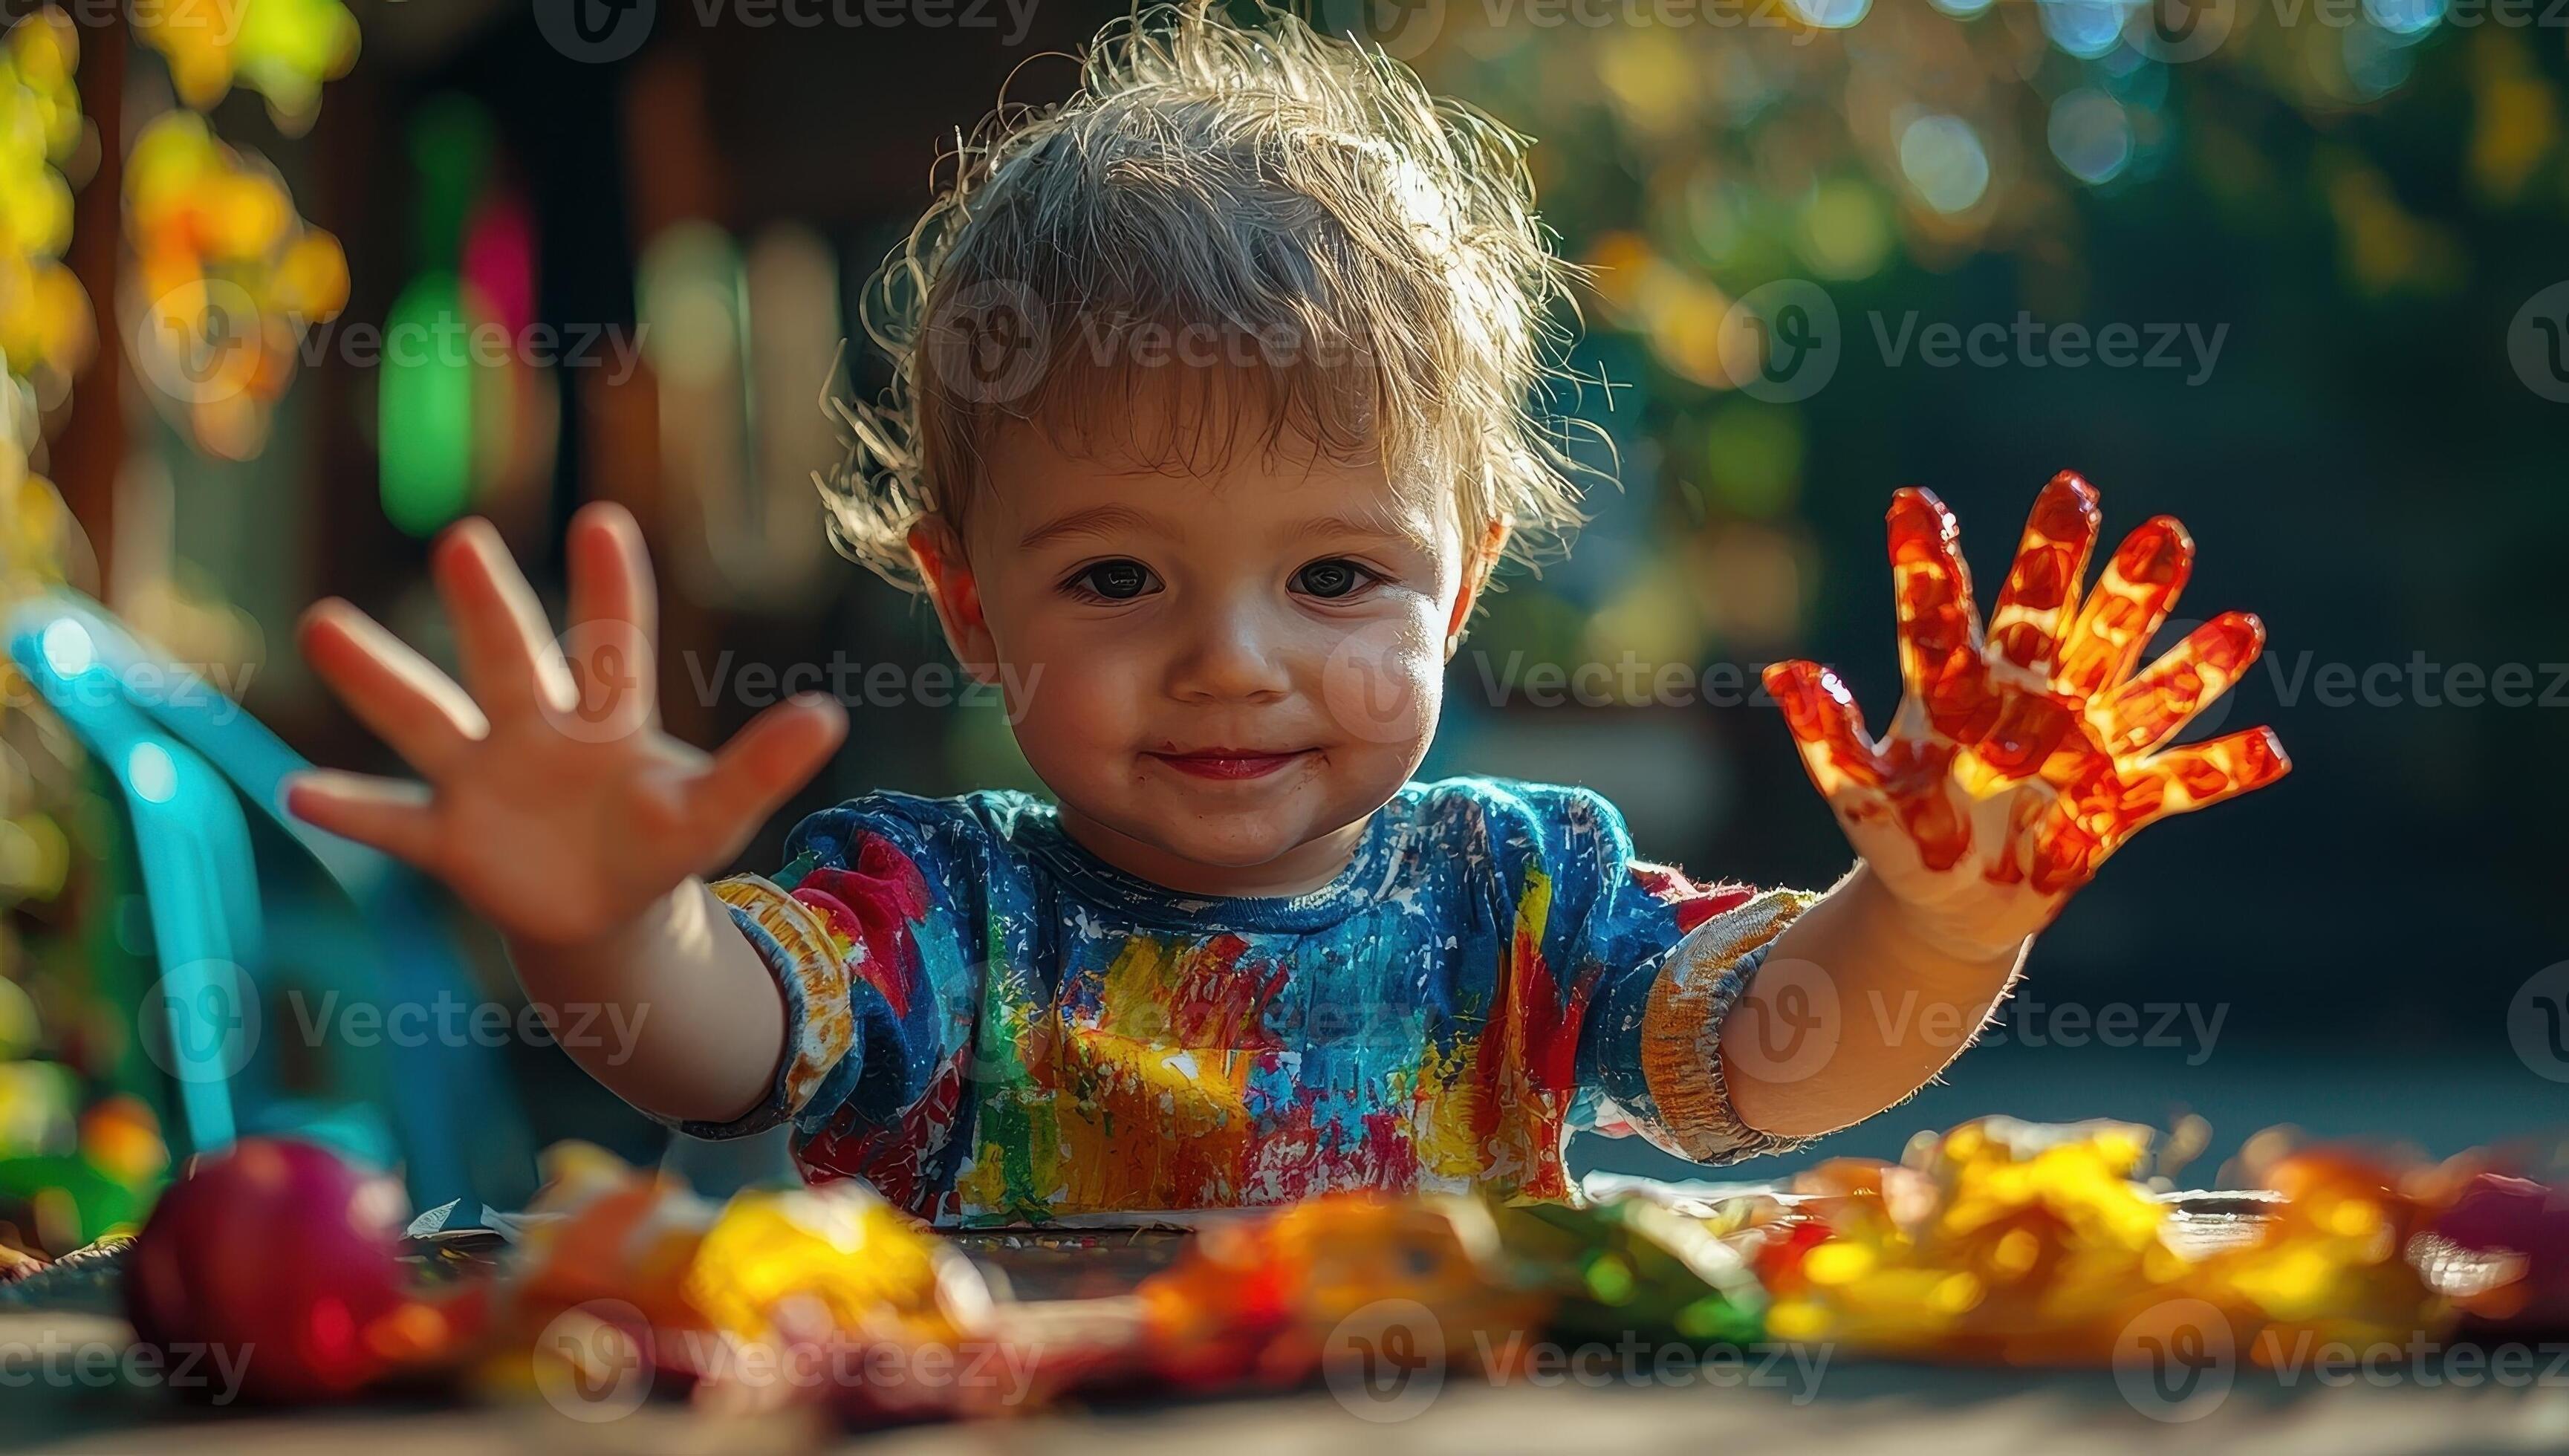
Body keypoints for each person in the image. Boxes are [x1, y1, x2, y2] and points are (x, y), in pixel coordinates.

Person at [286, 4, 2286, 1226]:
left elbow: (1778, 1060)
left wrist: (1940, 916)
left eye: (1331, 576)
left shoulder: (1520, 899)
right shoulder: (931, 909)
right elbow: (714, 1048)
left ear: (1465, 576)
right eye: (1114, 578)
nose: (1232, 657)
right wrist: (604, 926)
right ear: (973, 609)